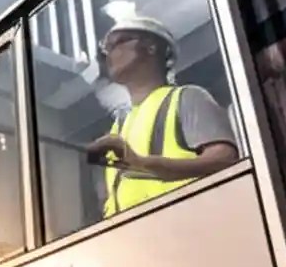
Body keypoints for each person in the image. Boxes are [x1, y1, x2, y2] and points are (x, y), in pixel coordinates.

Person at [85, 12, 239, 218]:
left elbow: (225, 159)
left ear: (152, 47)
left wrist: (146, 165)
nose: (110, 54)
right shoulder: (119, 127)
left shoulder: (187, 97)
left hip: (189, 225)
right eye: (107, 47)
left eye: (119, 43)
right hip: (136, 241)